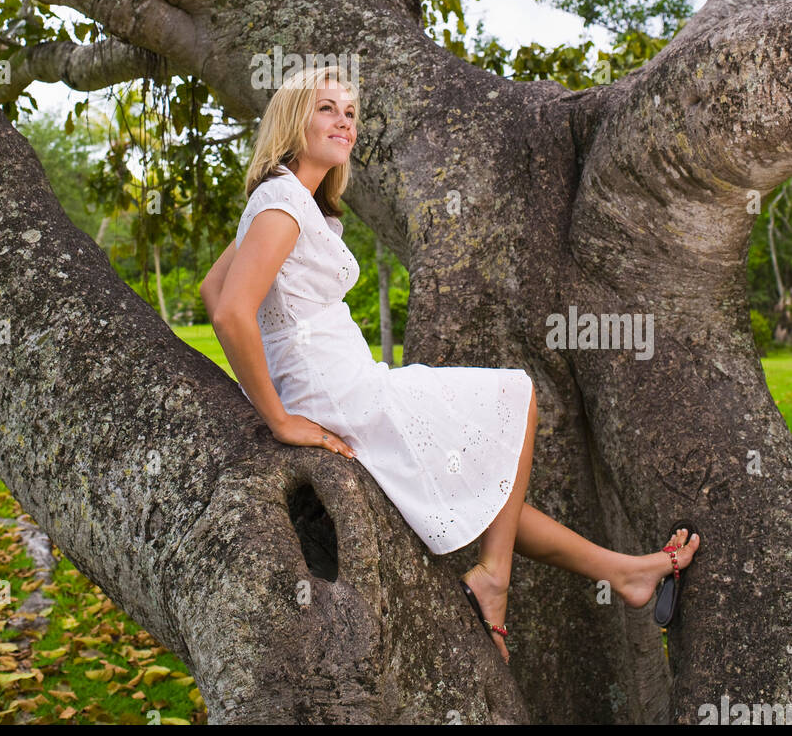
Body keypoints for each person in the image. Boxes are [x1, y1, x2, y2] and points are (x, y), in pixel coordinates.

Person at [201, 63, 700, 664]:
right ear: (291, 118)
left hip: (337, 383)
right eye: (326, 108)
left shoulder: (287, 198)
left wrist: (277, 383)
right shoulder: (283, 201)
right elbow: (231, 311)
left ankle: (625, 573)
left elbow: (211, 288)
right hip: (336, 390)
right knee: (515, 395)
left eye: (351, 112)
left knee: (489, 489)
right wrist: (279, 418)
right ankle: (495, 578)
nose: (344, 122)